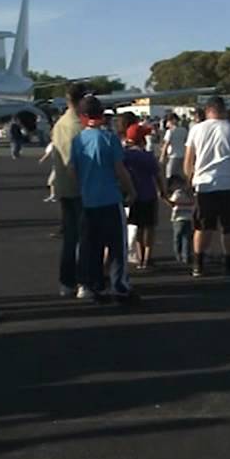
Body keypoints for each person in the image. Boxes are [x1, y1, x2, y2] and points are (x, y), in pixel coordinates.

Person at [71, 96, 138, 303]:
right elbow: (120, 169)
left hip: (88, 201)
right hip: (110, 198)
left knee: (92, 246)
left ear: (83, 117)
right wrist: (131, 190)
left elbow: (73, 170)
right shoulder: (109, 138)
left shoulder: (77, 141)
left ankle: (94, 285)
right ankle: (119, 286)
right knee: (117, 246)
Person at [184, 95, 230, 278]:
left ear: (207, 111)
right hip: (227, 183)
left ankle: (198, 264)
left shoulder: (196, 130)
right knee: (229, 227)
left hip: (204, 184)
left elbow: (189, 160)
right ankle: (229, 264)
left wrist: (189, 180)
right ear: (223, 110)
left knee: (202, 226)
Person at [51, 84, 86, 298]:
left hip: (63, 187)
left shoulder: (59, 124)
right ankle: (83, 281)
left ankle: (66, 282)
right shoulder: (79, 127)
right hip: (80, 188)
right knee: (84, 238)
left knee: (70, 238)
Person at [123, 124, 167, 270]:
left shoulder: (125, 155)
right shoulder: (147, 156)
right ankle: (147, 258)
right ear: (141, 140)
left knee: (138, 227)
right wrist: (163, 191)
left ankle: (139, 256)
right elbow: (158, 175)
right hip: (149, 194)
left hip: (133, 195)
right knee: (149, 227)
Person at [166, 176, 195, 265]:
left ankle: (178, 255)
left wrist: (165, 198)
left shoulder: (177, 194)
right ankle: (186, 256)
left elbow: (172, 203)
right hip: (188, 218)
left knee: (177, 238)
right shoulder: (189, 195)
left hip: (178, 219)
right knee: (187, 238)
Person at [160, 112, 189, 180]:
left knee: (170, 176)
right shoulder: (184, 130)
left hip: (172, 156)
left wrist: (162, 157)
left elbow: (166, 144)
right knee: (181, 176)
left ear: (171, 121)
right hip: (182, 155)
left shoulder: (170, 131)